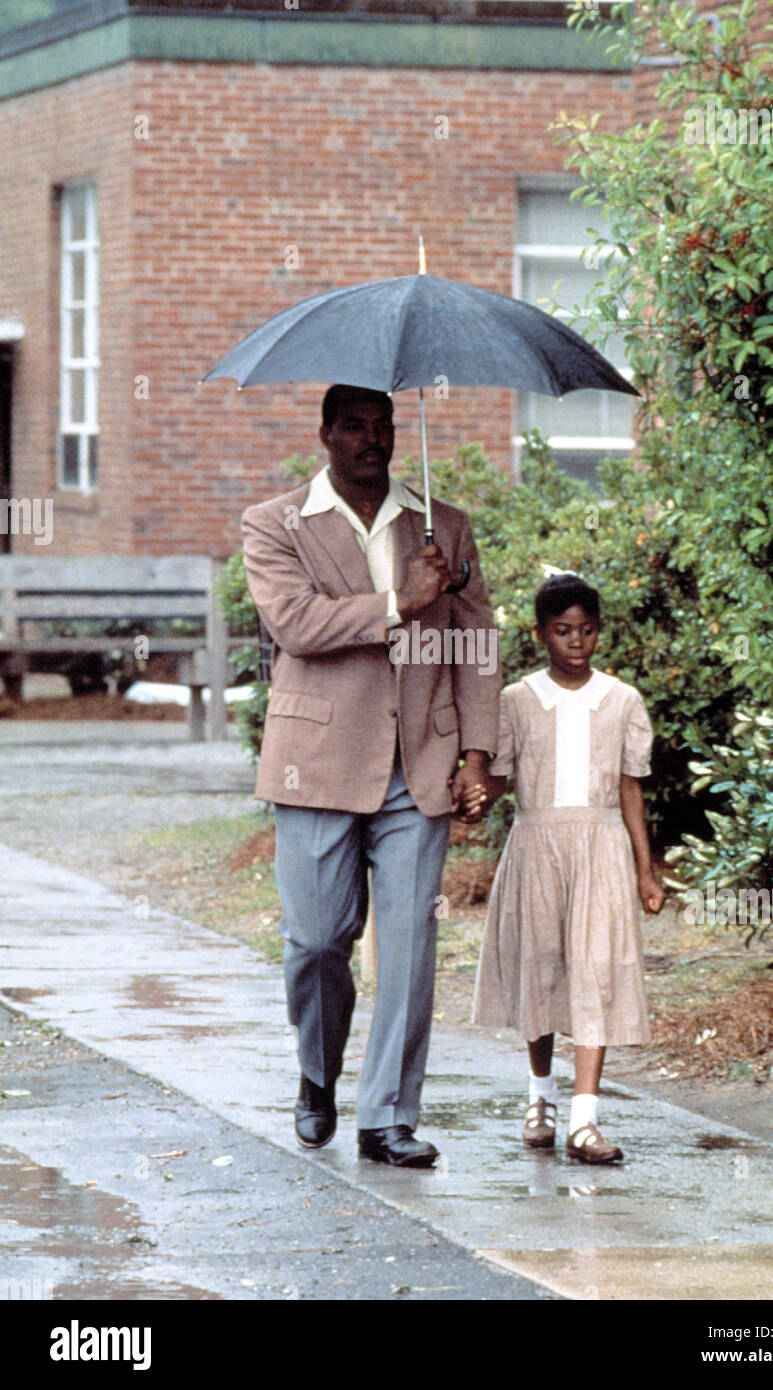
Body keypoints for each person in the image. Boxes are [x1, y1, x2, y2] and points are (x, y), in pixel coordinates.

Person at [241, 384, 500, 1168]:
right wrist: (397, 599)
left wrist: (479, 754)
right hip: (315, 763)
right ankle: (317, 1073)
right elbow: (297, 625)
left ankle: (388, 1114)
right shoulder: (274, 524)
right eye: (355, 426)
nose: (373, 440)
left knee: (411, 944)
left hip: (418, 762)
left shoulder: (443, 526)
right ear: (325, 435)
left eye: (384, 426)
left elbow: (475, 641)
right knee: (318, 941)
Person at [470, 573, 664, 1163]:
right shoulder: (516, 701)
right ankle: (539, 1098)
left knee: (596, 969)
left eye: (586, 631)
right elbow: (498, 780)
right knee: (541, 967)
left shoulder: (622, 700)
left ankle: (585, 1119)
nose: (575, 643)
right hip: (537, 846)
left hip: (602, 847)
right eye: (562, 631)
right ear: (541, 635)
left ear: (598, 633)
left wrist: (645, 869)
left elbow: (631, 789)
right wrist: (475, 797)